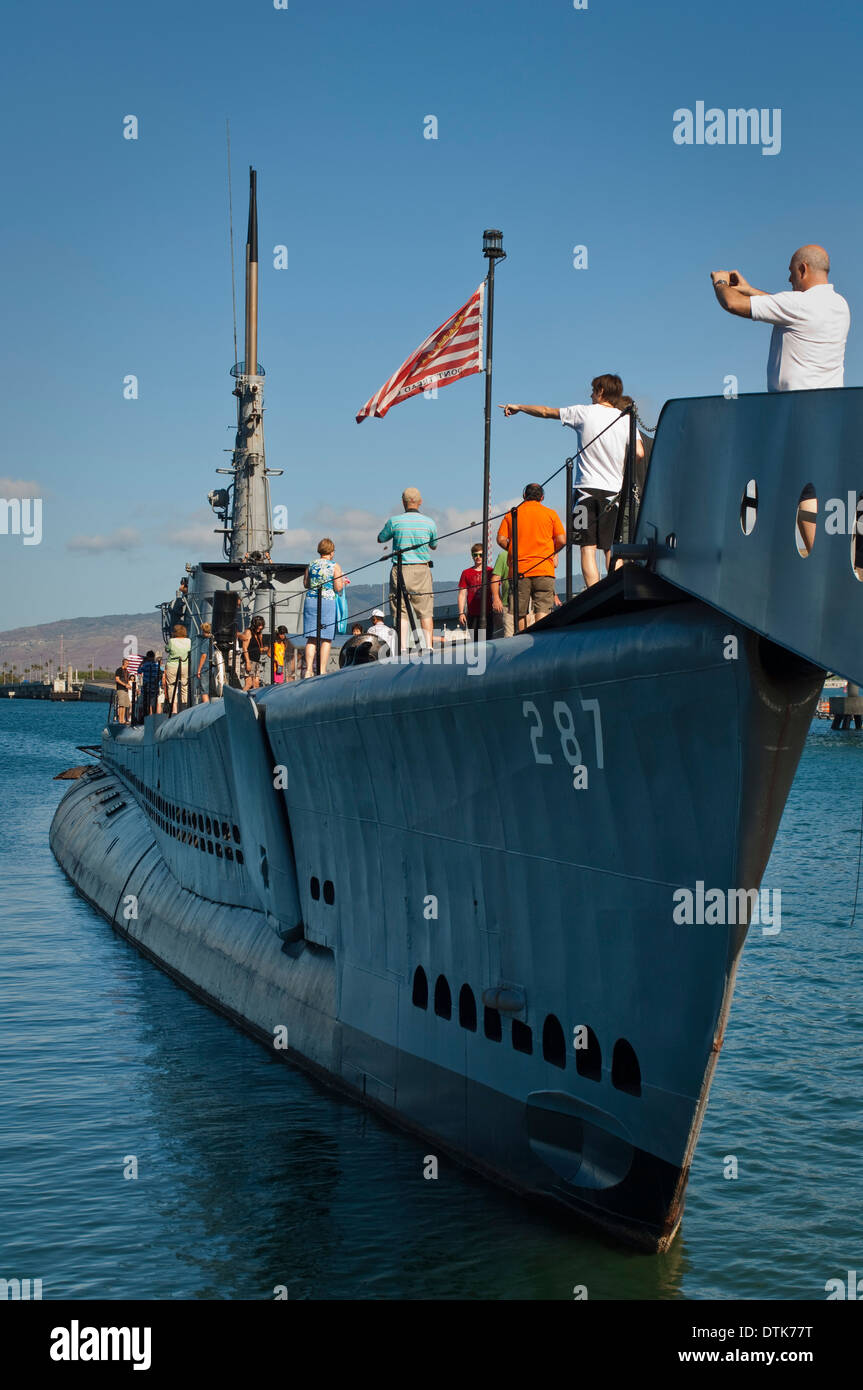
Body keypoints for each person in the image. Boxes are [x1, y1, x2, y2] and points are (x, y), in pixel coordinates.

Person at [711, 245, 850, 555]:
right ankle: (817, 555)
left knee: (794, 488)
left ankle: (807, 556)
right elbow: (783, 306)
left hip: (793, 416)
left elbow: (732, 305)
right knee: (809, 487)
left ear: (803, 270)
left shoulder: (799, 306)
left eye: (790, 272)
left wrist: (721, 282)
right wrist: (749, 289)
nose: (788, 278)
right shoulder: (839, 306)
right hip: (827, 415)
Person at [499, 375, 644, 588]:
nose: (590, 394)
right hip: (613, 494)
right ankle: (617, 589)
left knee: (586, 547)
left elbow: (547, 412)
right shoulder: (625, 419)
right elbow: (639, 452)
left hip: (585, 492)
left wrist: (519, 407)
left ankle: (593, 592)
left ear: (601, 390)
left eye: (593, 390)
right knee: (611, 548)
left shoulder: (583, 412)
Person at [496, 484, 566, 631]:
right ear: (542, 497)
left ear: (524, 496)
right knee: (543, 608)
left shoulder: (512, 514)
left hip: (519, 570)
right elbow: (562, 540)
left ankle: (522, 640)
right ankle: (540, 641)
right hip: (544, 568)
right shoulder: (551, 514)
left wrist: (512, 550)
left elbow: (501, 538)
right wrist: (550, 552)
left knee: (520, 611)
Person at [377, 488, 438, 650]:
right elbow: (434, 545)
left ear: (403, 502)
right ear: (420, 501)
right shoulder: (429, 522)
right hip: (422, 570)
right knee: (425, 610)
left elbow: (381, 538)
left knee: (401, 609)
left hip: (401, 569)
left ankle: (402, 647)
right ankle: (428, 647)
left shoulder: (394, 521)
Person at [302, 538, 344, 677]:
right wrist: (343, 582)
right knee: (326, 638)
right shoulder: (334, 566)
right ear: (331, 551)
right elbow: (338, 587)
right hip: (327, 601)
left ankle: (308, 670)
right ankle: (322, 669)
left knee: (312, 637)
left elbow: (306, 584)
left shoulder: (311, 564)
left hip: (311, 600)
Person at [458, 543, 494, 638]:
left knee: (488, 640)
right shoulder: (466, 573)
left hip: (488, 612)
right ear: (472, 556)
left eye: (481, 555)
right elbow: (462, 594)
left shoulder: (491, 571)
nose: (478, 557)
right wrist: (461, 612)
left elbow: (496, 591)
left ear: (485, 556)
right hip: (472, 614)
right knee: (475, 641)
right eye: (475, 555)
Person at [163, 623, 191, 714]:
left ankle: (174, 709)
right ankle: (184, 707)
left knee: (171, 686)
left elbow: (167, 649)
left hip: (172, 665)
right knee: (184, 686)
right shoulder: (188, 641)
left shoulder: (172, 641)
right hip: (185, 664)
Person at [240, 615, 269, 690]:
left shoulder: (259, 634)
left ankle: (254, 701)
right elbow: (245, 647)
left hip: (256, 661)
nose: (260, 627)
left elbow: (257, 647)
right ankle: (241, 698)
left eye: (262, 625)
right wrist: (247, 662)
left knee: (256, 684)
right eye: (259, 625)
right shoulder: (248, 632)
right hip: (249, 660)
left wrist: (263, 649)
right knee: (249, 684)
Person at [490, 547, 512, 637]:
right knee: (509, 635)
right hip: (508, 604)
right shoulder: (503, 555)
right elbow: (495, 579)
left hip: (529, 603)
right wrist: (496, 598)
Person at [139, 650, 161, 717]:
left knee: (144, 704)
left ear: (148, 657)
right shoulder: (157, 666)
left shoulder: (145, 665)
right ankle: (153, 717)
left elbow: (139, 671)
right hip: (154, 688)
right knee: (153, 704)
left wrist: (142, 662)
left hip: (146, 688)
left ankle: (144, 717)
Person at [196, 622, 214, 703]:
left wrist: (199, 669)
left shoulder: (205, 641)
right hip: (213, 667)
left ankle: (206, 708)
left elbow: (203, 656)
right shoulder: (213, 639)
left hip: (206, 667)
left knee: (204, 690)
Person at [114, 658, 131, 724]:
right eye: (127, 663)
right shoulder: (119, 670)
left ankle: (123, 719)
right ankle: (120, 720)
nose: (128, 665)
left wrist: (129, 685)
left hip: (126, 690)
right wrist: (125, 685)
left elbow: (127, 680)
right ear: (123, 663)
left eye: (128, 664)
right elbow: (117, 679)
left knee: (125, 705)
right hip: (121, 689)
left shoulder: (127, 671)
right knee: (121, 705)